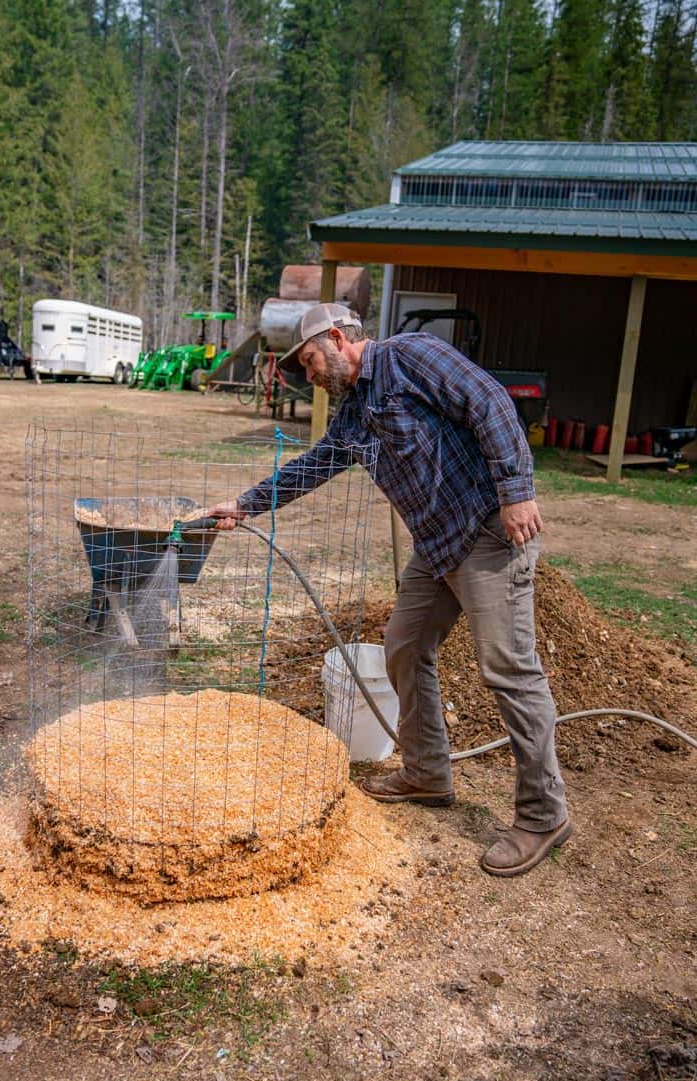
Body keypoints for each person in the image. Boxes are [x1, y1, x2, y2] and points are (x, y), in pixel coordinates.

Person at [208, 302, 571, 878]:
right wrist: (245, 503)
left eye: (309, 360)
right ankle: (427, 773)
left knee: (508, 668)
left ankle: (543, 813)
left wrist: (516, 491)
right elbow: (316, 463)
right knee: (402, 647)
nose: (310, 374)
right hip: (437, 547)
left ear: (334, 339)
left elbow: (491, 404)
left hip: (485, 532)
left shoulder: (411, 357)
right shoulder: (353, 415)